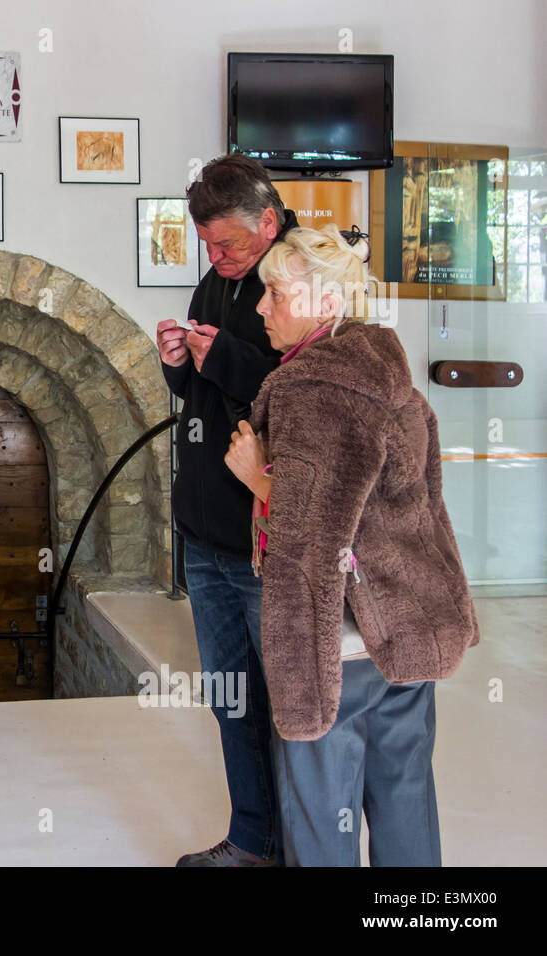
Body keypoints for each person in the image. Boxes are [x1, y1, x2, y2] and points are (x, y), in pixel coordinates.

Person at [224, 226, 478, 866]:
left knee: (320, 817)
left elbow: (313, 534)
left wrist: (256, 475)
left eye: (276, 293)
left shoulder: (314, 390)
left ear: (325, 304)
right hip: (406, 628)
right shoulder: (397, 383)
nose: (262, 308)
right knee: (406, 798)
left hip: (335, 646)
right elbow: (425, 508)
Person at [157, 154, 299, 867]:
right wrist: (178, 363)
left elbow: (298, 393)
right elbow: (202, 398)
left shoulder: (301, 278)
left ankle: (301, 847)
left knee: (288, 708)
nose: (214, 260)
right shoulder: (222, 276)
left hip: (263, 536)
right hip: (206, 530)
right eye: (207, 246)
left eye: (227, 245)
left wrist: (222, 363)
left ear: (268, 224)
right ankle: (251, 843)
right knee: (234, 702)